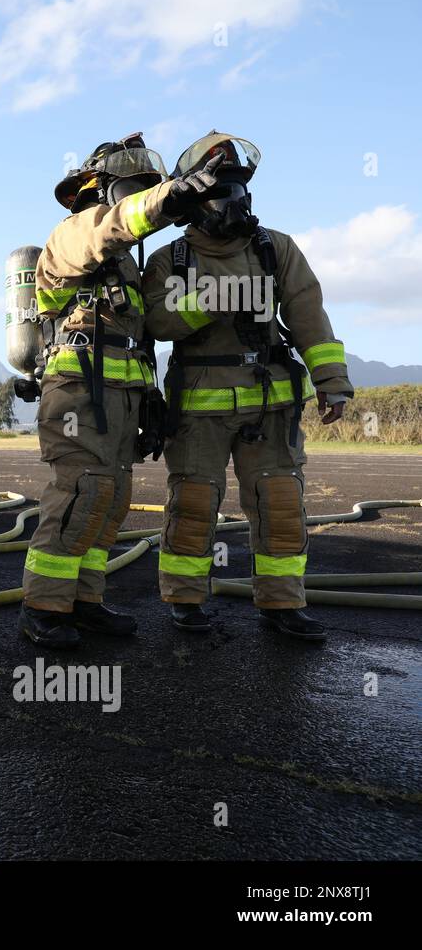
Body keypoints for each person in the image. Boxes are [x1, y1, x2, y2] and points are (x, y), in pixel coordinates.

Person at [142, 132, 352, 641]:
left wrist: (332, 382)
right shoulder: (171, 259)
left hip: (272, 405)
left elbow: (309, 316)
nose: (231, 201)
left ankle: (282, 605)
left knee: (280, 503)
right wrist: (213, 300)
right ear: (193, 200)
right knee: (192, 504)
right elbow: (157, 323)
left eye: (238, 189)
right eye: (220, 190)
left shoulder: (275, 248)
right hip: (198, 408)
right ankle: (185, 601)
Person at [21, 133, 226, 648]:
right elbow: (110, 229)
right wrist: (168, 197)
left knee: (110, 500)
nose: (140, 196)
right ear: (101, 189)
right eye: (132, 187)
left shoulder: (127, 268)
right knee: (78, 494)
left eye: (146, 188)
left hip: (120, 401)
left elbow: (140, 338)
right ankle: (43, 606)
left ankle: (84, 601)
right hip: (76, 397)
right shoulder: (74, 233)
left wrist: (151, 397)